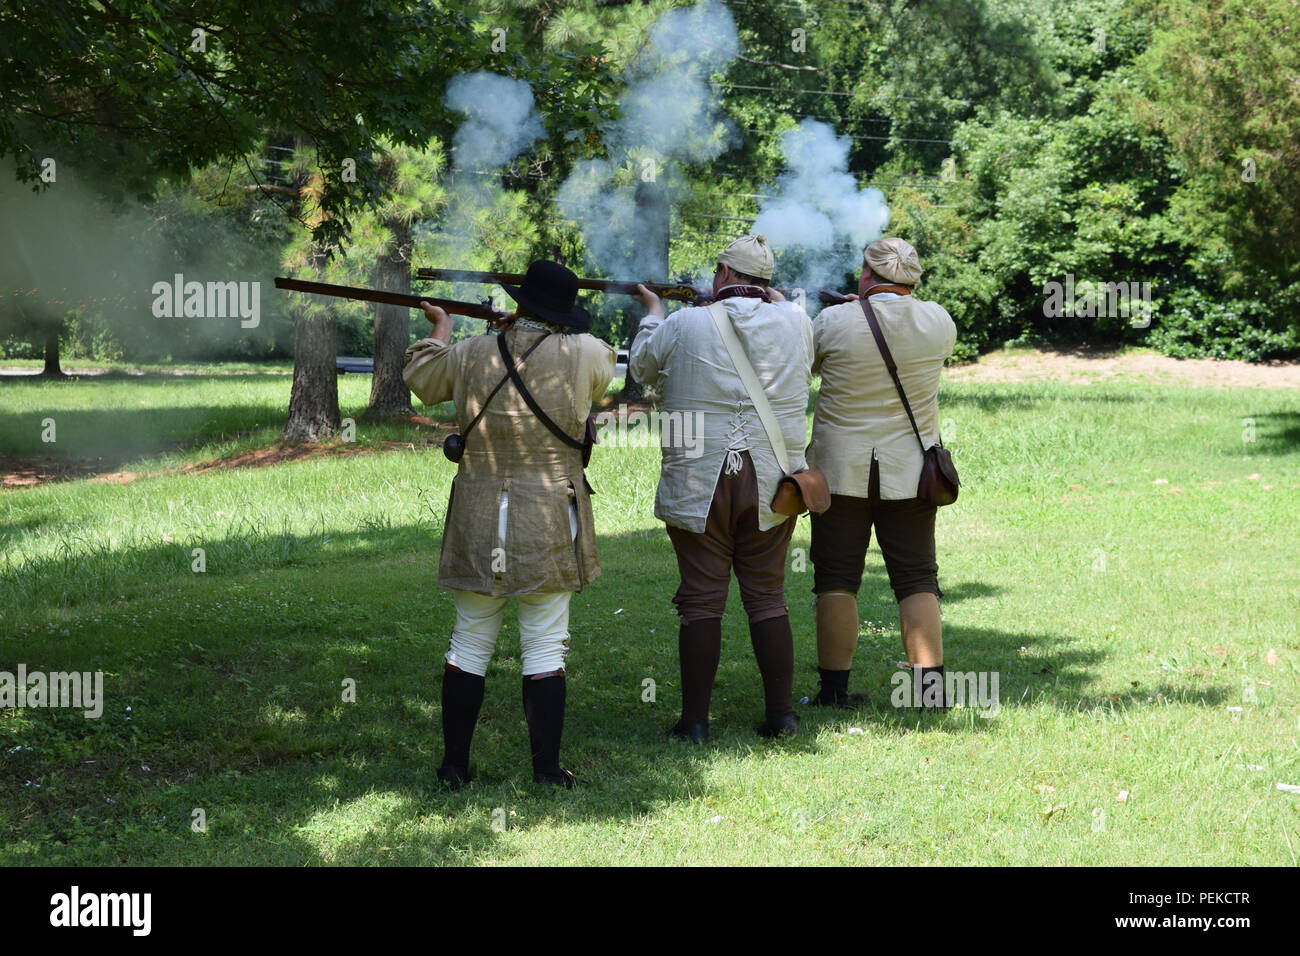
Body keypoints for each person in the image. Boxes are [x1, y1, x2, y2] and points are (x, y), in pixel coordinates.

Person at [403, 260, 615, 787]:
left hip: (479, 513)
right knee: (545, 645)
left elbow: (421, 380)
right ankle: (545, 771)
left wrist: (443, 328)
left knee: (469, 641)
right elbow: (603, 367)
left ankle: (454, 768)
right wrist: (517, 331)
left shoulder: (473, 351)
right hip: (547, 516)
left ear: (519, 302)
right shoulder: (586, 352)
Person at [631, 235, 813, 742]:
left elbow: (642, 366)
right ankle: (781, 716)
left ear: (723, 273)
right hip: (774, 481)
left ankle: (694, 725)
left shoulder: (682, 322)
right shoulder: (797, 320)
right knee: (768, 598)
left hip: (698, 477)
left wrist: (652, 310)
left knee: (701, 602)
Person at [804, 237, 956, 709]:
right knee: (916, 579)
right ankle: (929, 693)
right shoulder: (939, 321)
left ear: (867, 275)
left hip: (838, 472)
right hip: (911, 472)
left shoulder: (832, 321)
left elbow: (806, 367)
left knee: (835, 580)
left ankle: (834, 693)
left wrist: (852, 312)